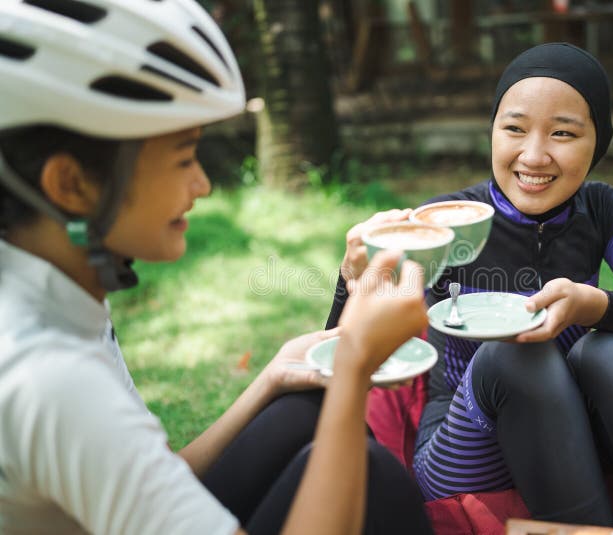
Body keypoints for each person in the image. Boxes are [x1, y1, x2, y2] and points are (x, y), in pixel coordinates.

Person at [0, 1, 434, 534]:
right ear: (70, 184)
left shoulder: (50, 293)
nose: (202, 185)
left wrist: (271, 377)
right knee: (370, 475)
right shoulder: (51, 378)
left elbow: (155, 477)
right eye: (185, 158)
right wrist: (353, 372)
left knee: (304, 404)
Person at [326, 43, 613, 535]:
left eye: (562, 133)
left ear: (597, 144)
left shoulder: (599, 209)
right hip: (464, 444)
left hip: (570, 439)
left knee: (609, 350)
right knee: (513, 355)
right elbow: (342, 363)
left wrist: (597, 307)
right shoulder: (449, 223)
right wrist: (351, 284)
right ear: (492, 131)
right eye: (514, 128)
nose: (534, 155)